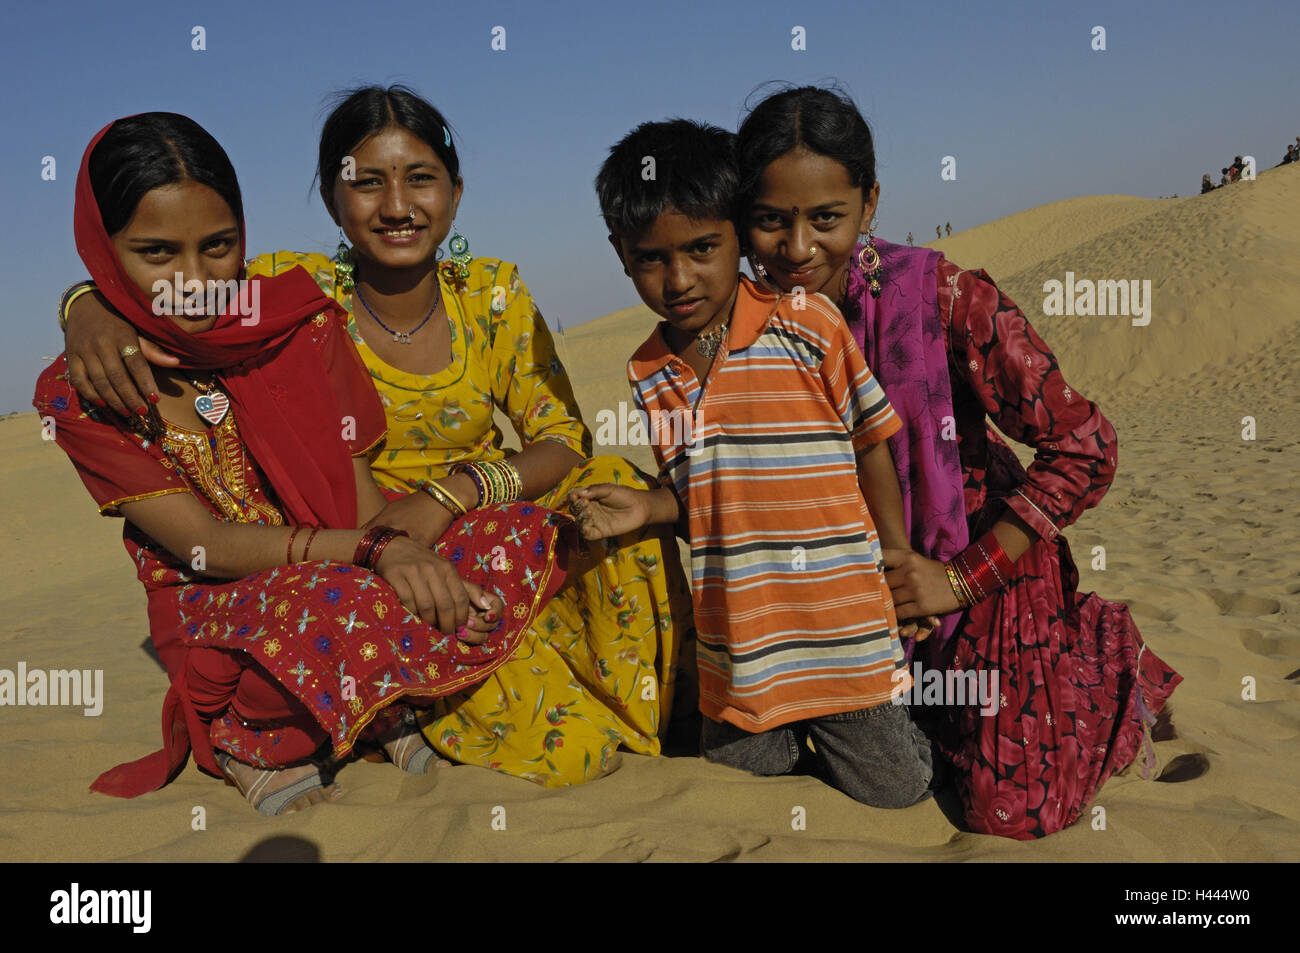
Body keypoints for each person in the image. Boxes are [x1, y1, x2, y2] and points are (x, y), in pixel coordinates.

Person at [59, 86, 694, 788]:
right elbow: (166, 284)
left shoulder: (491, 293)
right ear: (332, 199)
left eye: (421, 178)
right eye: (366, 182)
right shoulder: (291, 291)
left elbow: (562, 439)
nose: (396, 205)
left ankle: (661, 709)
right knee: (559, 742)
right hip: (354, 537)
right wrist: (85, 305)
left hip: (460, 520)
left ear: (456, 191)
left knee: (617, 486)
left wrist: (451, 495)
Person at [733, 85, 1181, 839]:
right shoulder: (743, 326)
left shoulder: (944, 301)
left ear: (869, 205)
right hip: (844, 582)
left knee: (1009, 808)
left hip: (978, 560)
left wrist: (957, 579)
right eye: (772, 221)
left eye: (827, 218)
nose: (800, 248)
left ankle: (1104, 652)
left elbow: (1086, 445)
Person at [574, 118, 936, 809]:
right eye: (651, 257)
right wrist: (651, 505)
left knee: (894, 791)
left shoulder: (808, 325)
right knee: (744, 785)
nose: (679, 278)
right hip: (738, 639)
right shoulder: (649, 372)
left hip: (842, 631)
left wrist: (894, 558)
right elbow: (699, 490)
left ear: (738, 234)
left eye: (703, 248)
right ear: (621, 254)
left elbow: (870, 444)